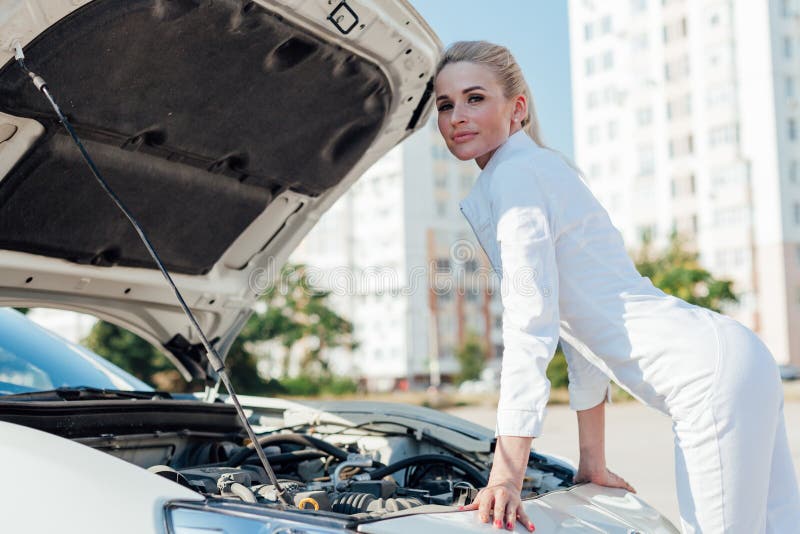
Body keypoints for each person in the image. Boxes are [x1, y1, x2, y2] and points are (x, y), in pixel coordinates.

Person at [433, 40, 800, 533]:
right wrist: (592, 463)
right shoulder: (542, 168)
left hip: (706, 377)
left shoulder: (516, 178)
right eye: (445, 104)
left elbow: (531, 327)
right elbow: (579, 337)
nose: (458, 115)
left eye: (475, 98)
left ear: (516, 108)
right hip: (734, 356)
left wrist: (507, 475)